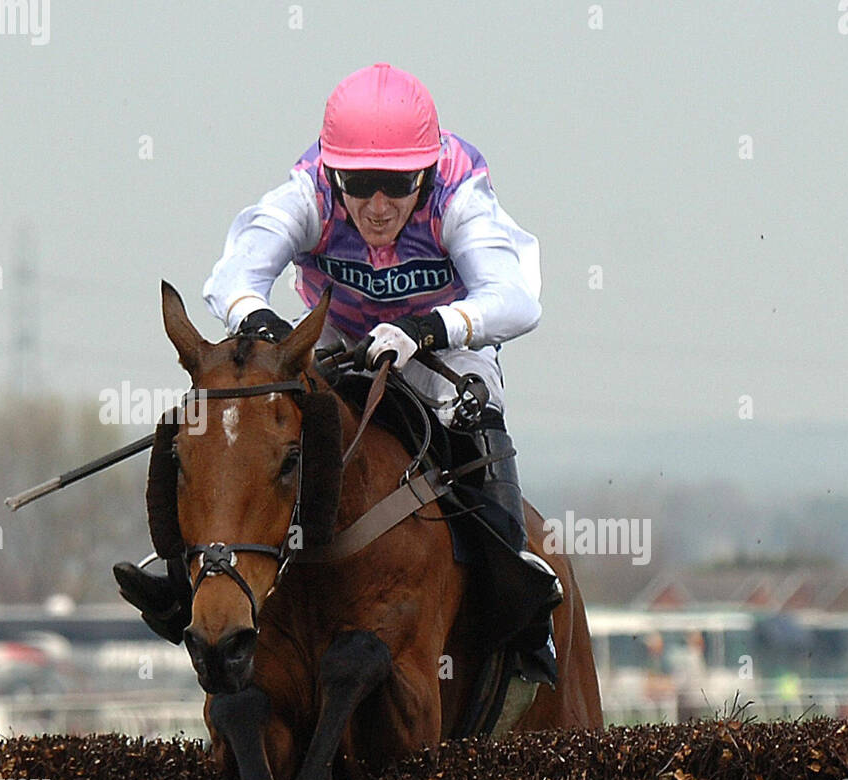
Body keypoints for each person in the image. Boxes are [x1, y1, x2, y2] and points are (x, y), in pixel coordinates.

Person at [115, 63, 561, 681]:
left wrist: (430, 329)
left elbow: (515, 299)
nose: (378, 207)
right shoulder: (306, 194)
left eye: (398, 184)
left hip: (443, 342)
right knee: (256, 417)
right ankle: (183, 572)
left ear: (427, 173)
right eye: (359, 184)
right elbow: (233, 279)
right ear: (332, 173)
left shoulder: (460, 194)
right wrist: (268, 329)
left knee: (473, 407)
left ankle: (516, 583)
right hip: (338, 334)